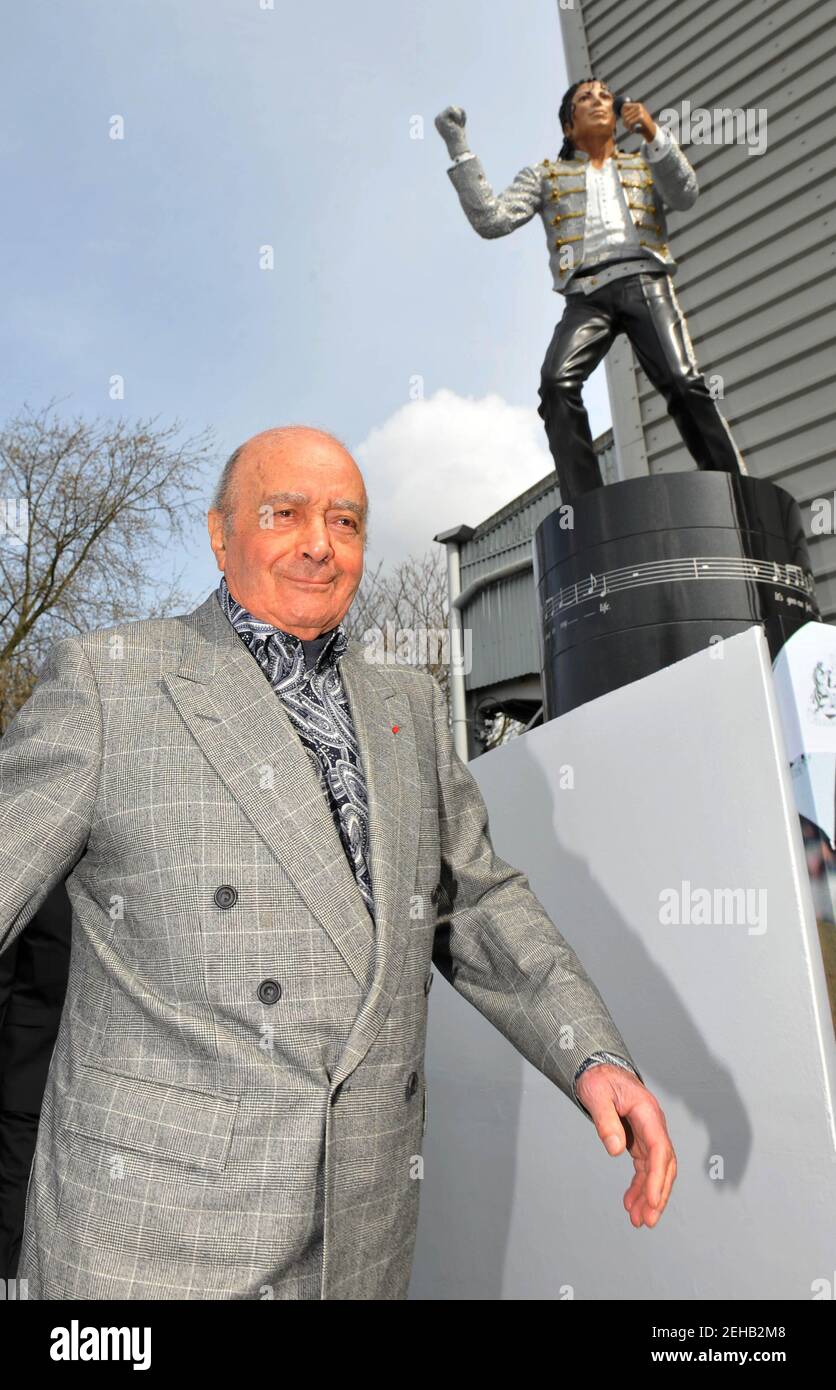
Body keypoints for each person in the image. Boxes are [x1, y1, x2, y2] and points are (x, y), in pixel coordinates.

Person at [0, 425, 675, 1300]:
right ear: (220, 534)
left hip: (359, 1238)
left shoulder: (410, 705)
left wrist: (592, 1056)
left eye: (346, 522)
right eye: (285, 513)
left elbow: (475, 900)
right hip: (150, 1248)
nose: (320, 543)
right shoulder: (109, 682)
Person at [436, 78, 747, 503]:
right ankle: (585, 503)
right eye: (586, 98)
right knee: (556, 383)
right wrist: (459, 147)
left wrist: (654, 133)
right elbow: (493, 219)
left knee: (682, 379)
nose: (599, 102)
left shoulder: (643, 164)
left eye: (605, 97)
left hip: (644, 282)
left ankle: (733, 487)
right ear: (569, 125)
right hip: (587, 296)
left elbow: (685, 194)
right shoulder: (548, 175)